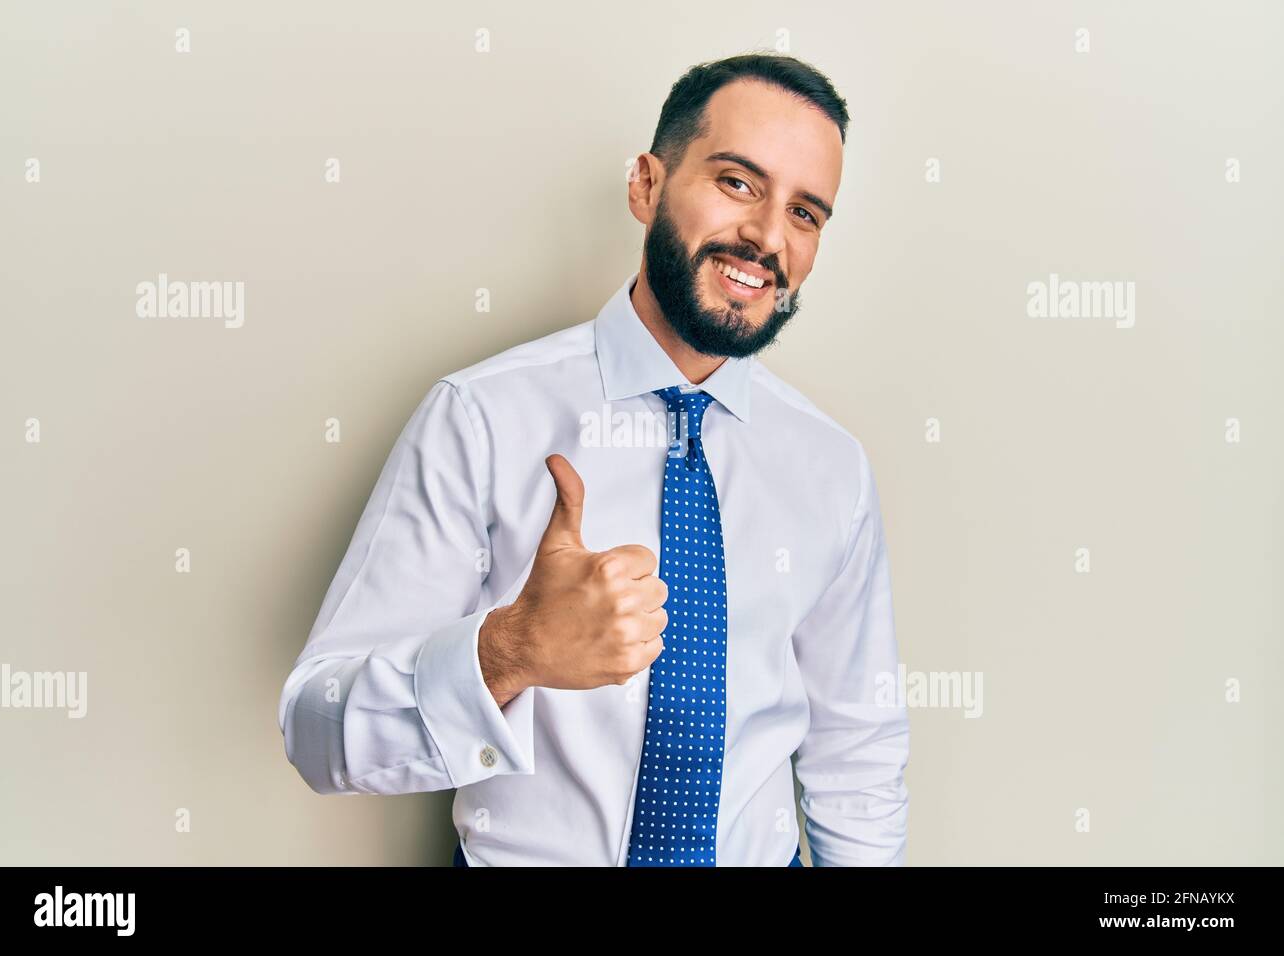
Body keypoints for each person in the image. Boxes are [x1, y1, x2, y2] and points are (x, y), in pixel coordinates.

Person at [277, 53, 909, 867]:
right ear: (646, 185)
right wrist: (509, 651)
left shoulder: (832, 468)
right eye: (738, 183)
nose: (766, 236)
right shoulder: (483, 418)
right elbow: (315, 729)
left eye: (806, 213)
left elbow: (856, 749)